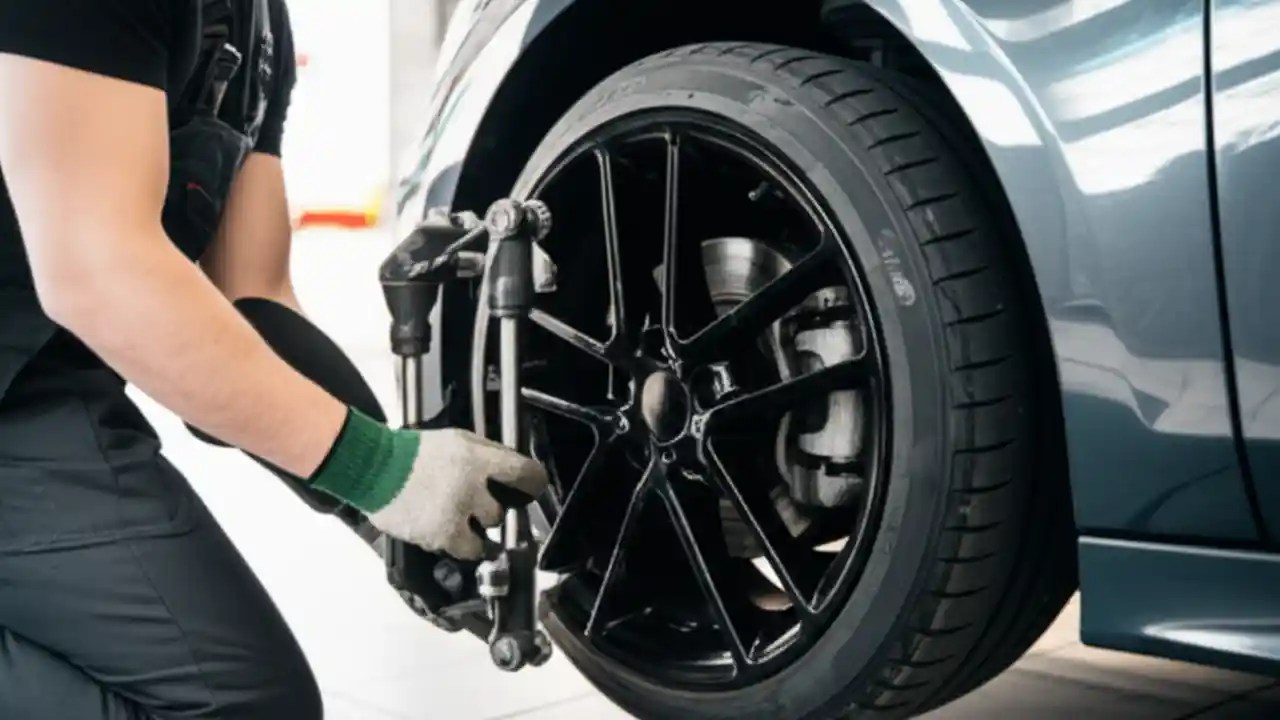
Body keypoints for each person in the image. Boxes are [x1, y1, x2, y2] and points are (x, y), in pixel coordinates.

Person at [0, 1, 548, 717]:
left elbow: (253, 298)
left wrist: (378, 511)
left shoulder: (257, 28)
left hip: (44, 384)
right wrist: (379, 470)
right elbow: (95, 271)